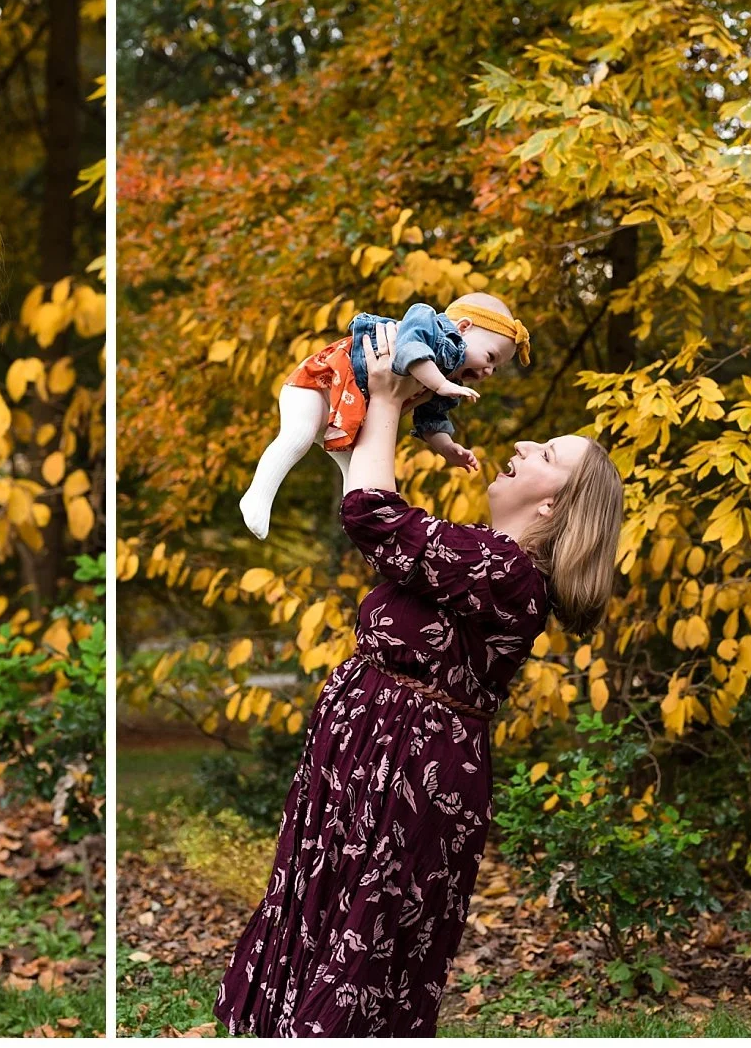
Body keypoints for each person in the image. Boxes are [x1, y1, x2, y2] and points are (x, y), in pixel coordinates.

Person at [216, 320, 623, 1037]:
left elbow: (372, 514)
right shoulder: (487, 556)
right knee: (326, 900)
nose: (524, 445)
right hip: (374, 739)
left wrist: (387, 398)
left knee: (365, 925)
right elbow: (393, 540)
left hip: (411, 762)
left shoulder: (509, 572)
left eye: (546, 453)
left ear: (553, 506)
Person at [240, 293, 530, 540]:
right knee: (298, 435)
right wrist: (440, 384)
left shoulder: (445, 378)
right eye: (491, 357)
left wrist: (446, 447)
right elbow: (409, 350)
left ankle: (353, 525)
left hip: (349, 414)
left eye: (496, 368)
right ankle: (256, 497)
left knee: (357, 472)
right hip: (319, 385)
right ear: (463, 327)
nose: (489, 372)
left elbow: (430, 420)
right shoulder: (427, 324)